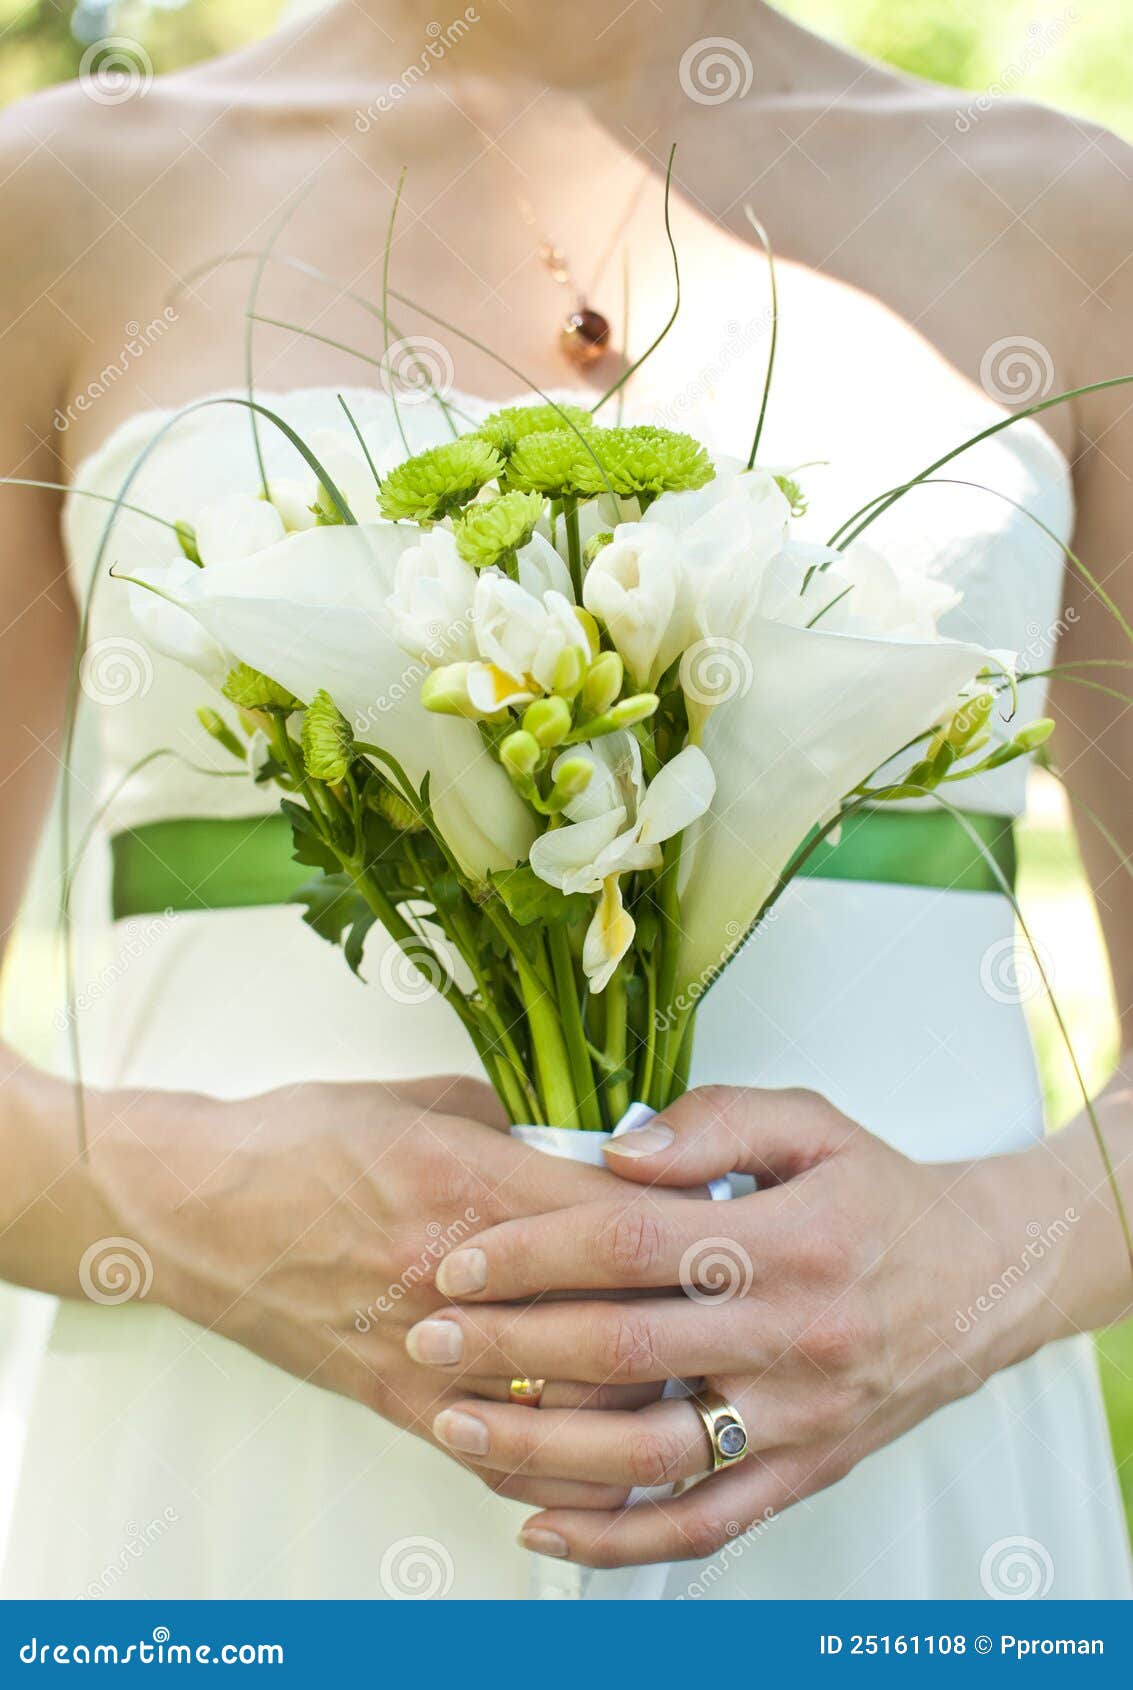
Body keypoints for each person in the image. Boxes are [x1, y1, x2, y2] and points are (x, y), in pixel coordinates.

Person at [0, 0, 1130, 1598]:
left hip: (900, 1524)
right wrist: (173, 1202)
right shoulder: (55, 201)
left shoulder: (1073, 217)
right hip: (244, 1497)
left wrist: (984, 1267)